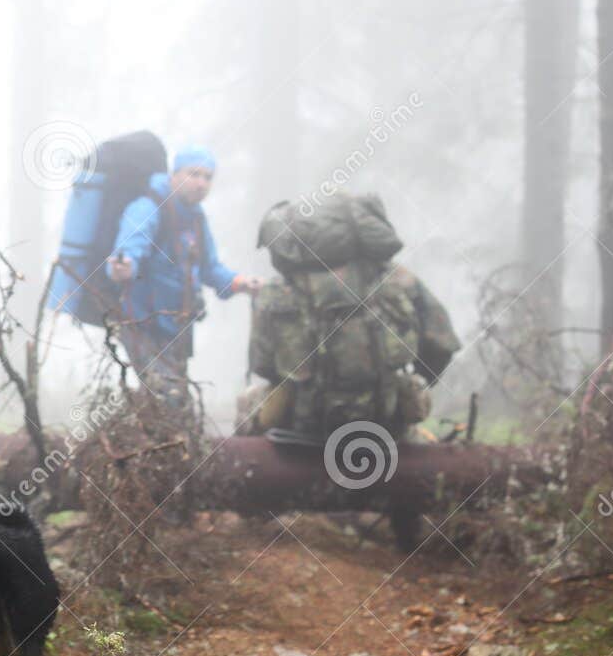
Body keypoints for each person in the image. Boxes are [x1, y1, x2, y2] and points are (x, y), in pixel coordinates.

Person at [239, 193, 460, 441]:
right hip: (384, 425)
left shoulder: (276, 291)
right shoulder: (398, 279)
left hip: (301, 431)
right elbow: (442, 345)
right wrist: (413, 382)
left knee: (248, 403)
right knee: (415, 404)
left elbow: (262, 364)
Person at [104, 145, 261, 400]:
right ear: (174, 175)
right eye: (194, 174)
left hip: (176, 328)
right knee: (169, 396)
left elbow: (210, 268)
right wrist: (124, 267)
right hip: (142, 323)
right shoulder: (147, 208)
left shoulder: (196, 218)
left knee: (165, 397)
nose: (201, 183)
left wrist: (240, 283)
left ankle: (141, 435)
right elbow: (130, 248)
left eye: (208, 177)